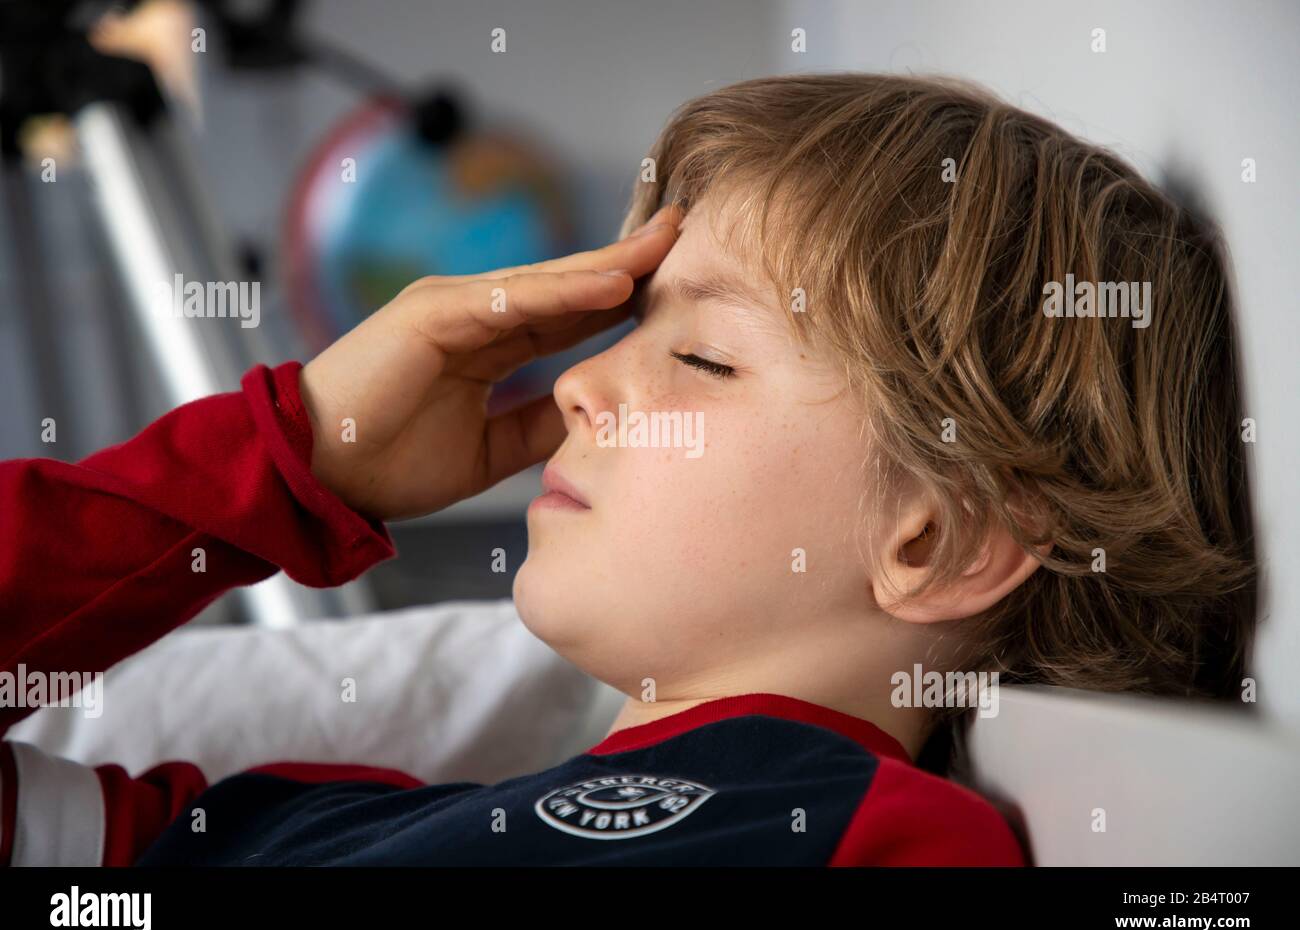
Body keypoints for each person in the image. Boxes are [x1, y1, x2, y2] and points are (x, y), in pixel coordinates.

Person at [0, 73, 1254, 866]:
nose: (579, 385)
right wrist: (300, 450)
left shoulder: (873, 838)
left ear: (937, 538)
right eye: (624, 330)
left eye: (702, 358)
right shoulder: (299, 819)